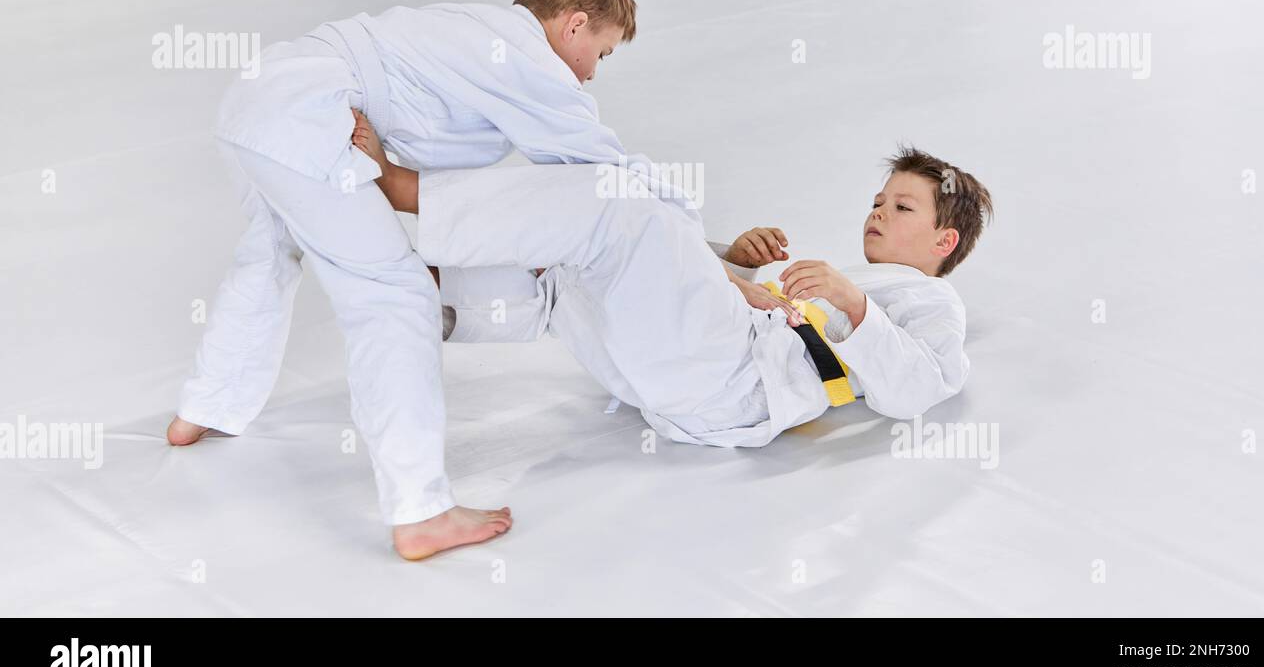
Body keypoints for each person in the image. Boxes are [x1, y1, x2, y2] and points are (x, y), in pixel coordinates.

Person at [170, 0, 698, 560]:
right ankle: (420, 511)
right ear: (574, 23)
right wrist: (694, 239)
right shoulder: (532, 62)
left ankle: (204, 409)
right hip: (314, 112)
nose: (591, 74)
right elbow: (608, 177)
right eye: (600, 53)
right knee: (396, 295)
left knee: (268, 253)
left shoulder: (476, 29)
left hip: (258, 99)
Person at [353, 115, 992, 448]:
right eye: (878, 199)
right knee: (565, 269)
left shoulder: (931, 298)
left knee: (624, 201)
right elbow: (712, 286)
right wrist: (738, 261)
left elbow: (922, 387)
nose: (878, 211)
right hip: (690, 373)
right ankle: (422, 291)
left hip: (733, 380)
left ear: (945, 242)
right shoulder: (846, 278)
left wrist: (849, 300)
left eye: (902, 207)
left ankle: (409, 192)